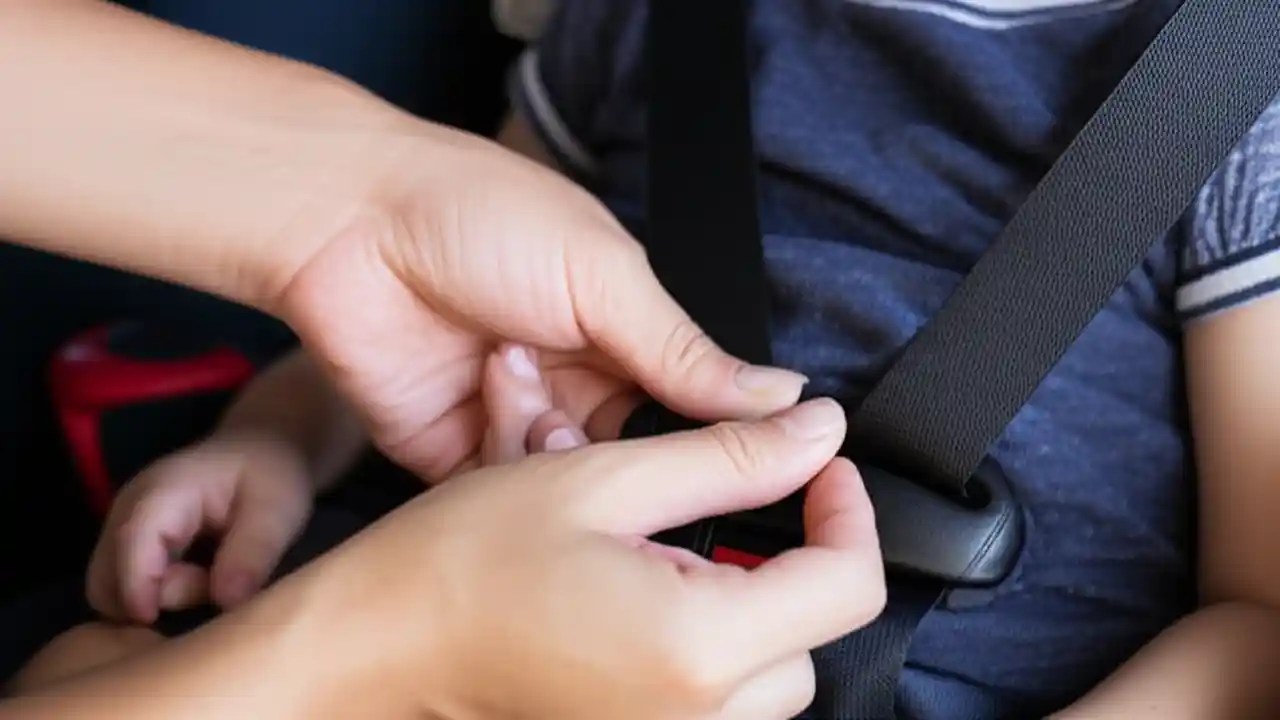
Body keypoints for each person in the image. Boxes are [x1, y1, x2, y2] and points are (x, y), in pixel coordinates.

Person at [0, 1, 890, 717]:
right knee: (89, 653)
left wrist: (362, 212)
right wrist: (286, 443)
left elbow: (426, 306)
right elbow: (450, 331)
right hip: (421, 545)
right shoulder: (654, 28)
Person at [501, 1, 1280, 718]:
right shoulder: (638, 20)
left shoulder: (1231, 78)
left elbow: (1257, 620)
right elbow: (474, 321)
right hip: (554, 646)